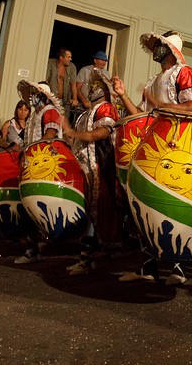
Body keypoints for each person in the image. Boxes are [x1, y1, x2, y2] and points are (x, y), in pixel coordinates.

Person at [112, 30, 192, 285]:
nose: (155, 48)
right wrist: (122, 95)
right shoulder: (155, 79)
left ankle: (178, 269)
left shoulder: (185, 73)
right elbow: (142, 115)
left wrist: (161, 107)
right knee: (145, 208)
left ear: (171, 50)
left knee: (167, 209)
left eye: (159, 45)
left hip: (175, 148)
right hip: (151, 147)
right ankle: (148, 267)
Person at [62, 71, 121, 275]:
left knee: (94, 212)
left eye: (97, 85)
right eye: (92, 84)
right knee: (87, 212)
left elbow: (103, 132)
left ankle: (86, 259)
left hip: (98, 167)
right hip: (84, 166)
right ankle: (89, 256)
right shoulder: (89, 111)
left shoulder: (106, 108)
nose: (92, 87)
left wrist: (74, 134)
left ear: (104, 90)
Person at [14, 80, 65, 264]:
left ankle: (35, 249)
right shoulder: (35, 114)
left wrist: (32, 150)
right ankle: (32, 248)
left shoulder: (49, 111)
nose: (31, 97)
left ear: (43, 95)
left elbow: (50, 135)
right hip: (31, 164)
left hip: (43, 165)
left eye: (35, 93)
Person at [45, 48, 79, 123]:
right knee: (50, 121)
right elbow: (45, 80)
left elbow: (73, 84)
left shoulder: (72, 67)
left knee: (63, 122)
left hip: (65, 100)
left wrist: (75, 99)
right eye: (68, 57)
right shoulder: (50, 63)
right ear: (61, 58)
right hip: (51, 98)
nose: (70, 59)